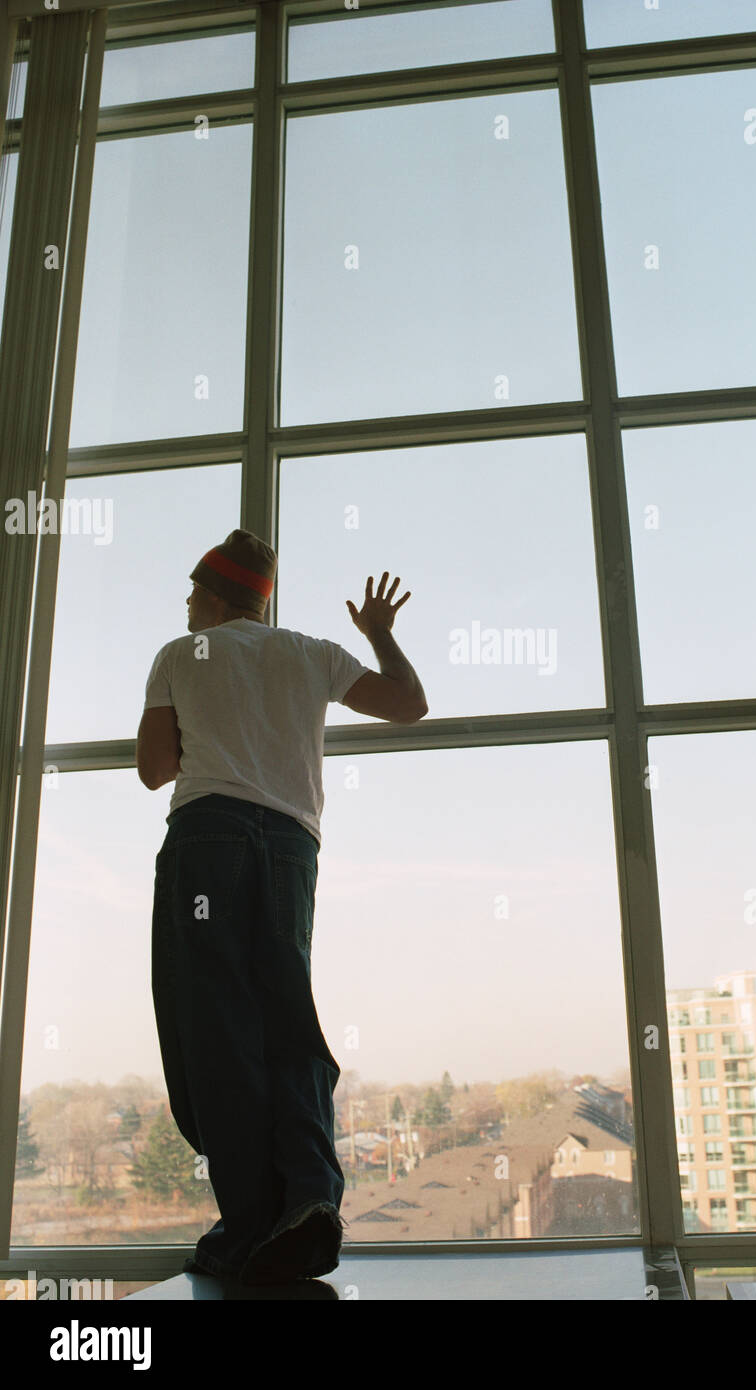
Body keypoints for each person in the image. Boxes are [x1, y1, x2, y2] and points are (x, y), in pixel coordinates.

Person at [136, 529, 427, 1284]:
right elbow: (407, 704)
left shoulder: (178, 654)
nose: (187, 603)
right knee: (288, 1023)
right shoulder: (313, 652)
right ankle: (309, 1200)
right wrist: (382, 638)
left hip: (208, 845)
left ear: (217, 594)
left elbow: (154, 770)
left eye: (194, 590)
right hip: (293, 850)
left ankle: (248, 1228)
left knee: (218, 1033)